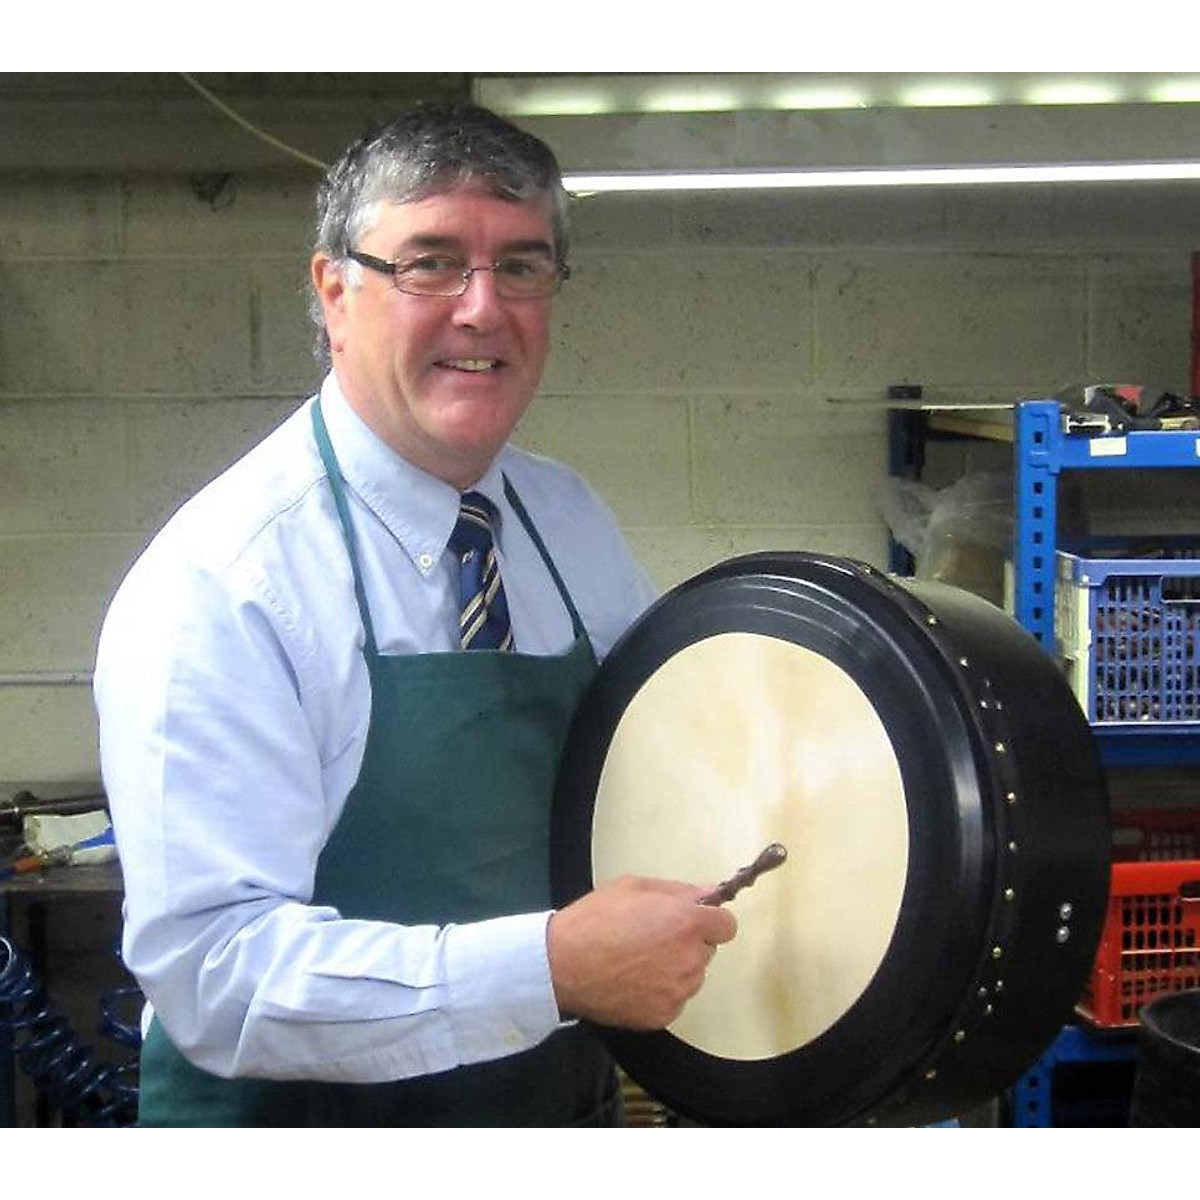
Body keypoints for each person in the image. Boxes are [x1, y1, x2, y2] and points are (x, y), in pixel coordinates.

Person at [94, 101, 737, 1127]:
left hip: (551, 1114)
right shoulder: (225, 584)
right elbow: (214, 976)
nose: (483, 310)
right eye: (430, 262)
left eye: (522, 266)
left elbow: (655, 777)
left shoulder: (566, 520)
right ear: (335, 292)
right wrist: (550, 970)